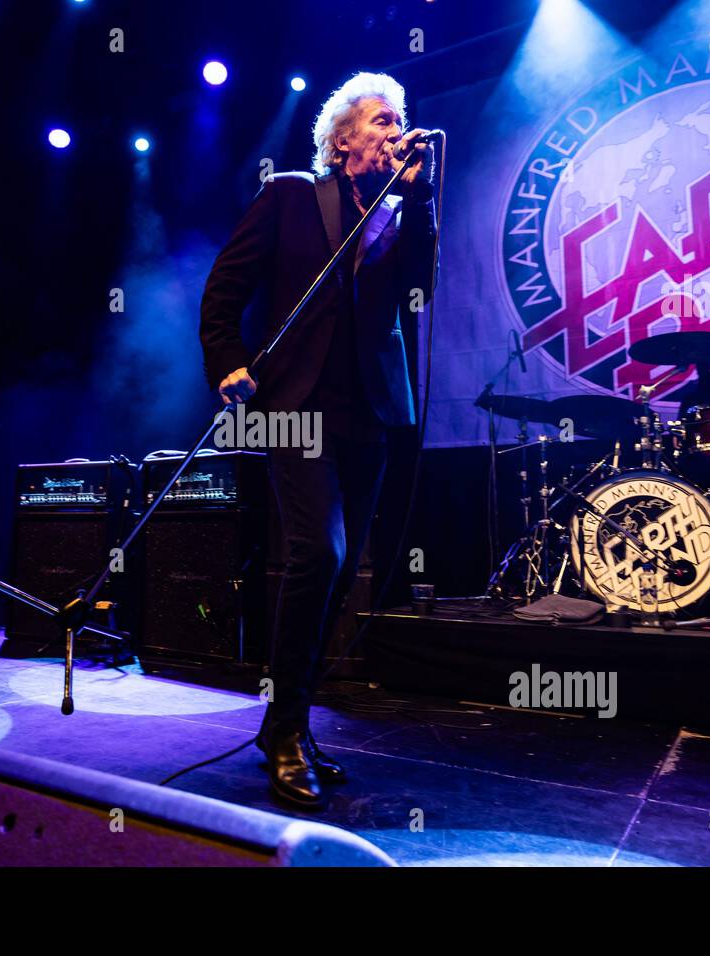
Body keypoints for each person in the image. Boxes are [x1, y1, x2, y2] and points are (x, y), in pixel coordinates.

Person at [199, 73, 438, 807]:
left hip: (370, 410)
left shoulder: (400, 211)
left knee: (341, 573)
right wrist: (226, 363)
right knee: (319, 553)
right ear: (342, 138)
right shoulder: (292, 194)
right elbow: (223, 291)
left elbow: (420, 293)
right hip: (293, 406)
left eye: (401, 118)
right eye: (382, 119)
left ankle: (287, 725)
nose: (397, 128)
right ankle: (288, 726)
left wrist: (422, 199)